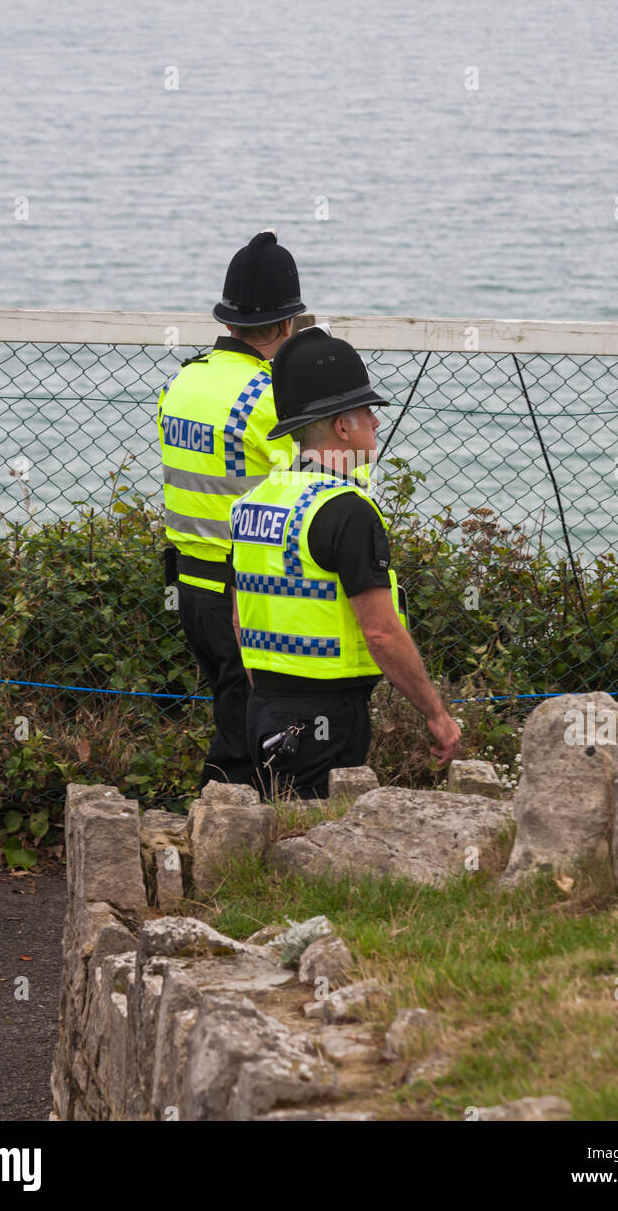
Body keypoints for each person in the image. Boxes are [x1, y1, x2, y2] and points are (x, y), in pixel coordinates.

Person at [228, 328, 462, 799]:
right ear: (341, 427)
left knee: (280, 830)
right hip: (326, 716)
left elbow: (238, 617)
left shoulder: (254, 501)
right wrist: (435, 713)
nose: (375, 423)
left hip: (264, 707)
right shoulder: (347, 511)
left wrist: (269, 698)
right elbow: (380, 631)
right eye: (367, 412)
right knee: (315, 846)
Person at [158, 230, 306, 787]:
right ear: (289, 323)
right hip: (244, 590)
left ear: (228, 321)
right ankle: (226, 838)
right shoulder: (267, 396)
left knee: (233, 709)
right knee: (256, 730)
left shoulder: (184, 381)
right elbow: (314, 489)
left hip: (191, 586)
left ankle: (223, 832)